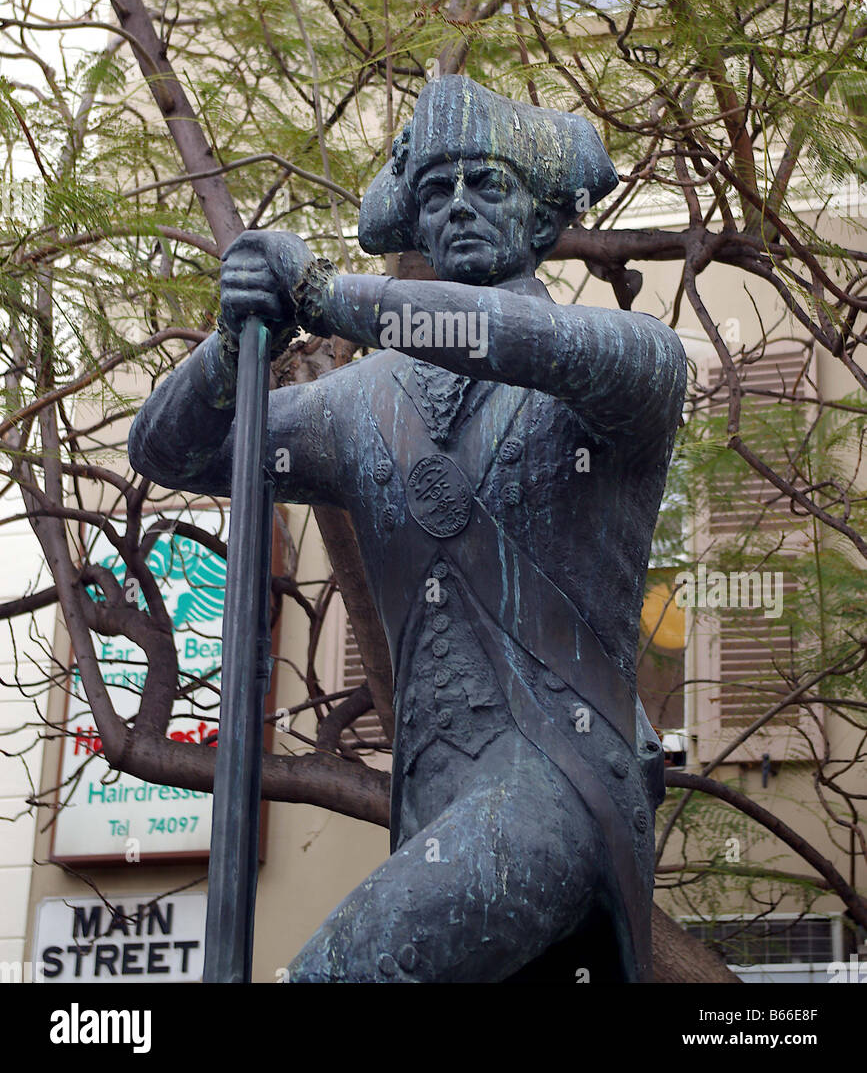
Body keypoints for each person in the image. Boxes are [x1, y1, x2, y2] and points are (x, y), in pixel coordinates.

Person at [129, 74, 686, 983]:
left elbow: (517, 340)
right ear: (416, 221)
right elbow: (170, 452)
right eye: (436, 191)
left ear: (546, 217)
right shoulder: (357, 406)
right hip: (429, 799)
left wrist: (321, 293)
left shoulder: (627, 361)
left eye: (487, 184)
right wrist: (230, 343)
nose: (458, 207)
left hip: (562, 785)